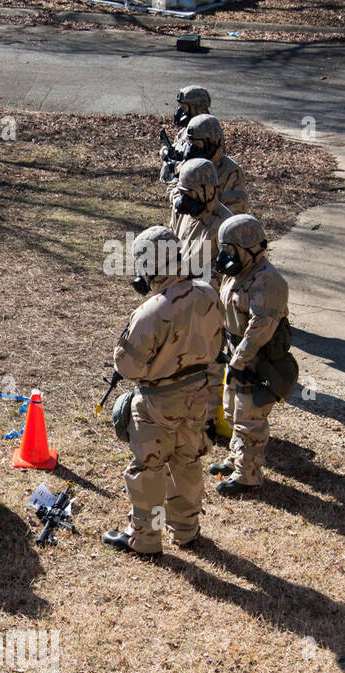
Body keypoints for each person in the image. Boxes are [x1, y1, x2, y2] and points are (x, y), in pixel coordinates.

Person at [102, 227, 224, 556]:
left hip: (157, 402)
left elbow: (129, 367)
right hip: (200, 393)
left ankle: (145, 538)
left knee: (149, 468)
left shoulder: (151, 311)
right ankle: (186, 530)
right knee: (187, 460)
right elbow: (216, 347)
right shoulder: (209, 294)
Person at [209, 214, 292, 496]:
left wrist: (240, 360)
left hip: (256, 358)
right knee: (232, 411)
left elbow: (260, 328)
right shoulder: (239, 274)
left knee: (250, 417)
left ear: (251, 248)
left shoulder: (268, 281)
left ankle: (248, 475)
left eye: (230, 250)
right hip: (236, 353)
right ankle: (236, 459)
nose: (225, 257)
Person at [168, 156, 235, 441]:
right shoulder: (183, 212)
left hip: (211, 307)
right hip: (182, 299)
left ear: (208, 191)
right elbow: (172, 241)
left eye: (190, 194)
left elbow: (235, 275)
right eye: (182, 193)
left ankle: (209, 419)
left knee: (211, 362)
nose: (184, 201)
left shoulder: (226, 226)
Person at [174, 114, 248, 211]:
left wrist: (204, 211)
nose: (192, 149)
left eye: (198, 144)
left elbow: (235, 211)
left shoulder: (231, 172)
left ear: (212, 144)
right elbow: (174, 187)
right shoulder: (189, 164)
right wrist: (178, 201)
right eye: (190, 143)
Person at [159, 85, 211, 182]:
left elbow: (201, 166)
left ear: (197, 108)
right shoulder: (186, 130)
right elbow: (178, 148)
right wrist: (166, 153)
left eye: (184, 107)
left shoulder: (207, 133)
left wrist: (178, 166)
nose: (179, 111)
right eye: (179, 107)